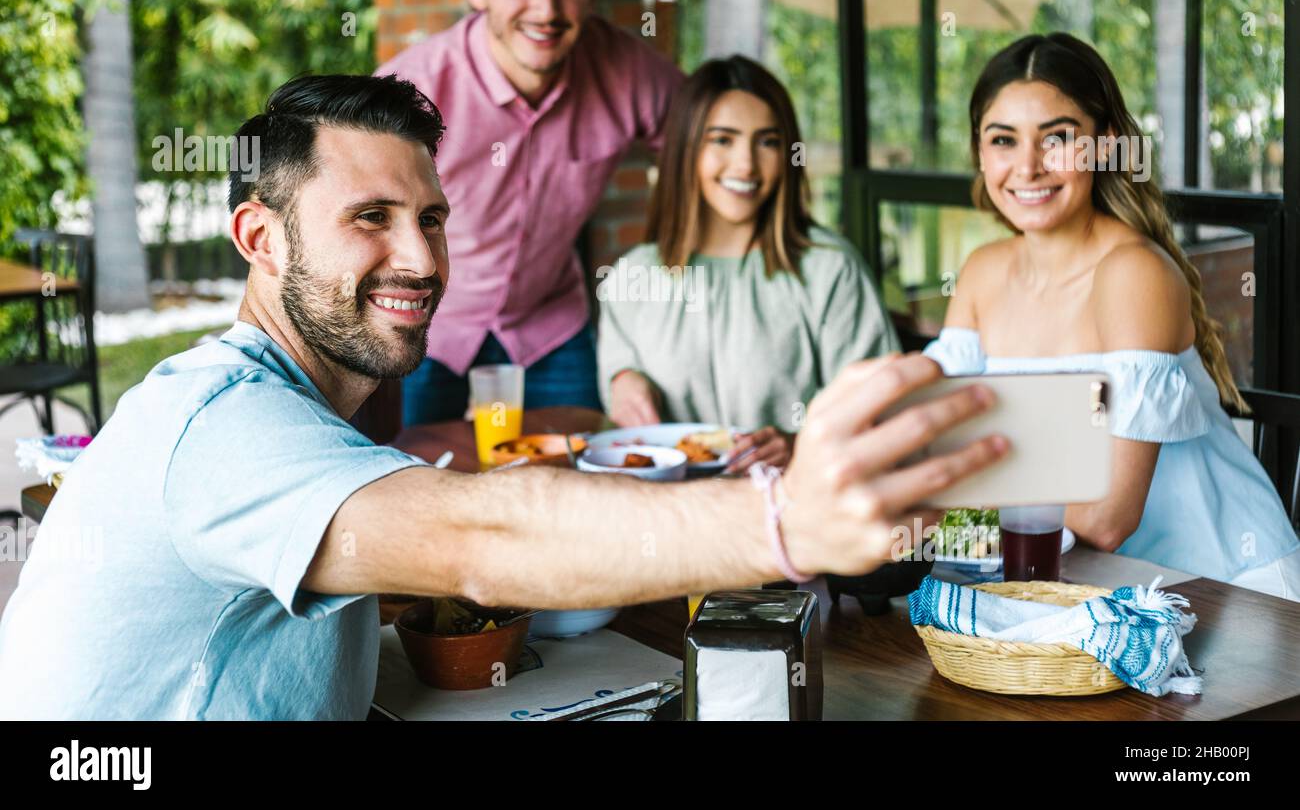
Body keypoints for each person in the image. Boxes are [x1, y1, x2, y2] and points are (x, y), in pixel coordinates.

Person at [0, 74, 1009, 719]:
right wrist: (786, 520)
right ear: (261, 239)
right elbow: (482, 537)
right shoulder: (223, 421)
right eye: (371, 216)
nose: (418, 255)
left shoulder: (301, 411)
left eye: (431, 218)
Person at [924, 32, 1300, 599]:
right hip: (1081, 592)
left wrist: (949, 492)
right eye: (1004, 139)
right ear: (980, 152)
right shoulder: (981, 271)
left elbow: (1105, 516)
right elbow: (929, 428)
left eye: (1059, 138)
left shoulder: (1132, 274)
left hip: (1222, 595)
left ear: (1107, 145)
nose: (1027, 167)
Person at [376, 0, 683, 424]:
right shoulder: (412, 88)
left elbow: (710, 146)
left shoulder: (627, 71)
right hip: (425, 321)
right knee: (415, 477)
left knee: (586, 468)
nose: (546, 9)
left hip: (550, 325)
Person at [598, 56, 899, 473]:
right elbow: (618, 368)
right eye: (722, 140)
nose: (746, 165)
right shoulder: (632, 276)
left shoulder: (830, 270)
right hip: (667, 517)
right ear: (685, 149)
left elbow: (881, 410)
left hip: (793, 516)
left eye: (768, 142)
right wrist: (623, 379)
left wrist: (798, 444)